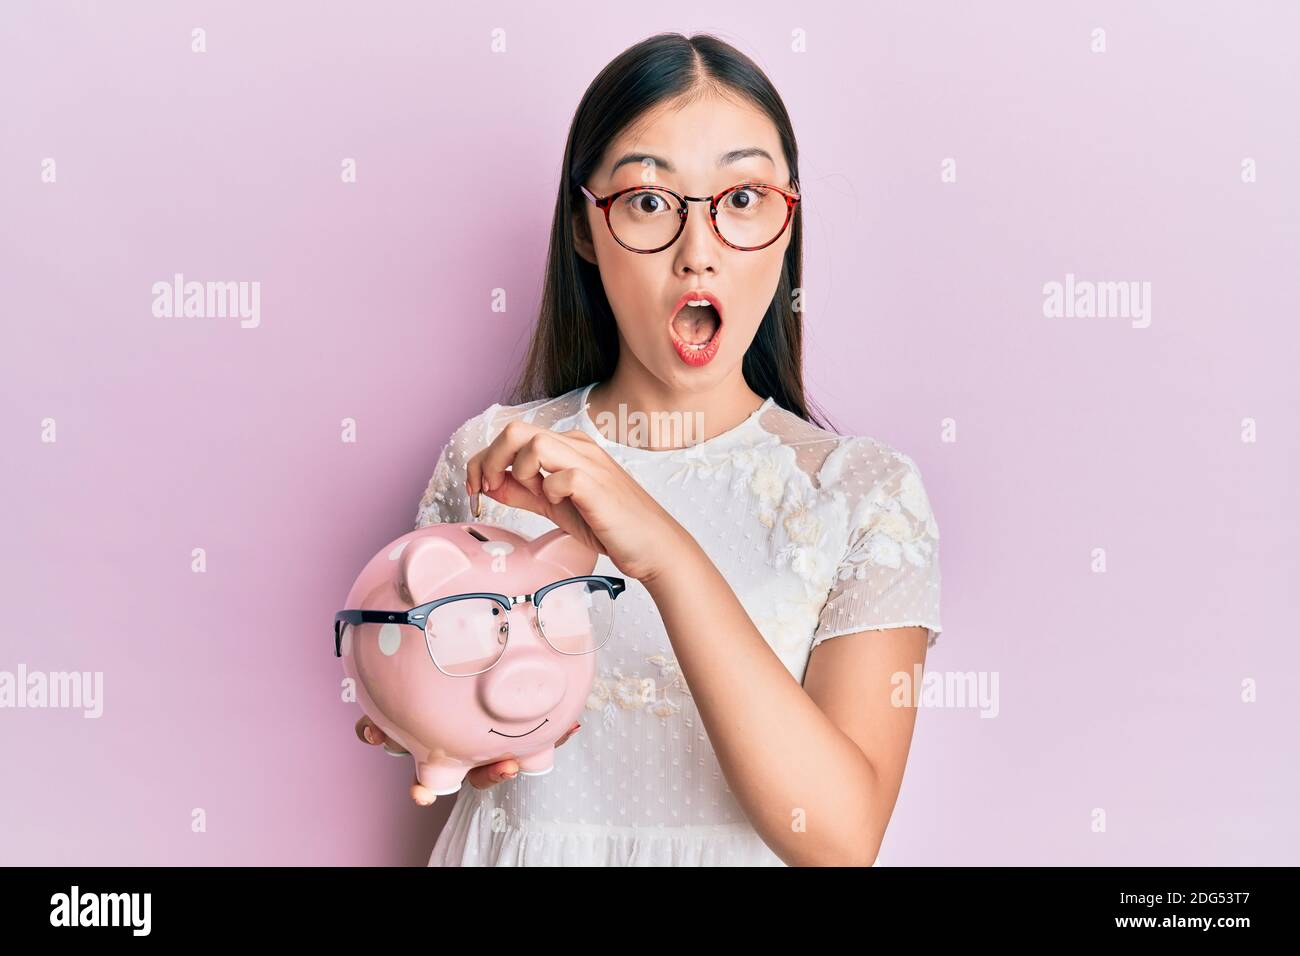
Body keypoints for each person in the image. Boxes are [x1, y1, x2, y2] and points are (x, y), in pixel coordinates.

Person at [356, 31, 942, 867]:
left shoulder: (863, 494)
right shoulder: (494, 458)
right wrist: (419, 715)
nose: (697, 251)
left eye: (741, 199)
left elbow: (840, 838)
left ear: (786, 224)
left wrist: (664, 552)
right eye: (648, 201)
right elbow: (447, 714)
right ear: (586, 231)